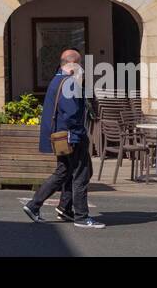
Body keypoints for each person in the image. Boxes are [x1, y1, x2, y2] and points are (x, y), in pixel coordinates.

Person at [21, 50, 105, 229]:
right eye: (80, 64)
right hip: (72, 137)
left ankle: (50, 206)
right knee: (81, 174)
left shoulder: (57, 79)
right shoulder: (69, 83)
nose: (82, 68)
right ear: (73, 65)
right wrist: (80, 134)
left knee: (64, 171)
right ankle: (81, 217)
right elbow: (71, 114)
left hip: (62, 137)